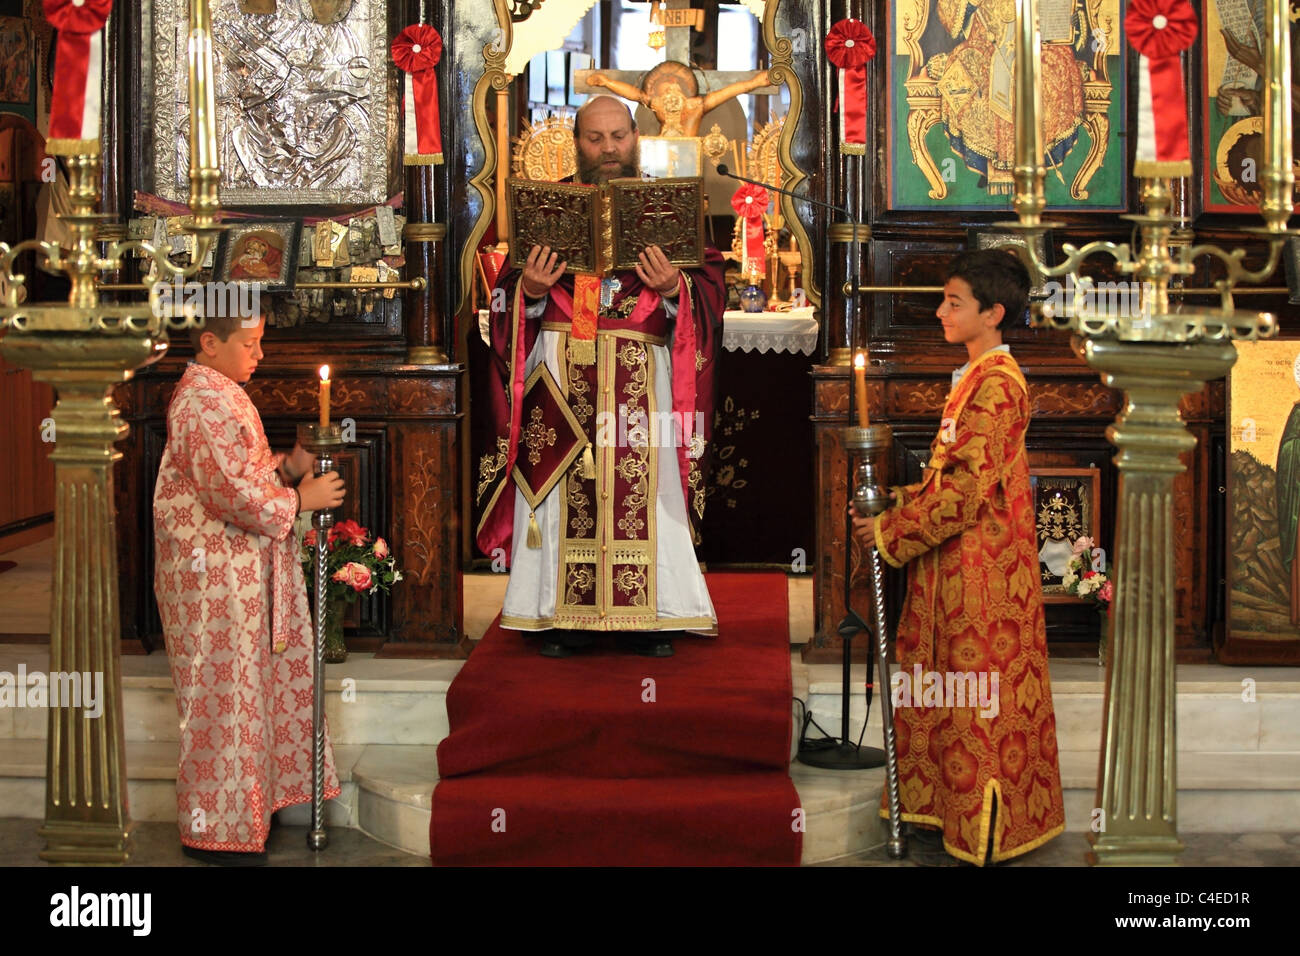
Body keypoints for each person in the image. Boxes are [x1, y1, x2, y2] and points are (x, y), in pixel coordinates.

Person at [476, 96, 726, 658]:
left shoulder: (670, 205)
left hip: (644, 376)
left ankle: (655, 614)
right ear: (577, 143)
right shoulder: (548, 208)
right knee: (564, 494)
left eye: (618, 136)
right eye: (595, 138)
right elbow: (503, 305)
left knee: (650, 488)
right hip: (562, 376)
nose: (608, 148)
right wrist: (531, 293)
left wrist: (672, 289)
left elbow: (711, 292)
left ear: (634, 136)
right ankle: (557, 613)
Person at [851, 249, 1065, 865]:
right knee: (946, 689)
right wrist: (897, 499)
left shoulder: (998, 386)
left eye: (954, 303)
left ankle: (985, 824)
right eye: (942, 299)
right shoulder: (975, 375)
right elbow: (952, 473)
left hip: (982, 568)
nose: (941, 311)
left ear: (993, 313)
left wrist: (891, 530)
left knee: (976, 699)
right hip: (956, 561)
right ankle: (942, 808)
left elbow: (969, 493)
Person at [152, 308, 346, 865]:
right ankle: (215, 832)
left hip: (235, 575)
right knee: (221, 702)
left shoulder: (224, 391)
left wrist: (289, 468)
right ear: (210, 343)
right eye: (251, 344)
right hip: (210, 580)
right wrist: (302, 499)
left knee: (246, 696)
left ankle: (249, 814)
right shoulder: (200, 401)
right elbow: (232, 494)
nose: (260, 355)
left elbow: (249, 474)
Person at [585, 60, 771, 137]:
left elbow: (728, 92)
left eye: (673, 90)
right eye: (665, 92)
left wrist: (753, 83)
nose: (670, 96)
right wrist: (606, 82)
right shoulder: (658, 105)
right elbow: (635, 94)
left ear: (684, 91)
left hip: (690, 159)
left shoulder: (696, 106)